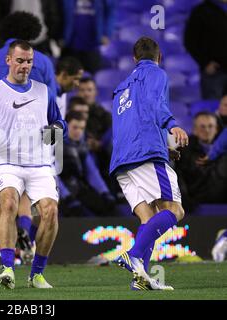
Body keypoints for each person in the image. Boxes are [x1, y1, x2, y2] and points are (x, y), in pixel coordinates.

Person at [0, 40, 67, 289]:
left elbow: (59, 123)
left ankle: (37, 274)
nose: (25, 66)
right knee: (9, 203)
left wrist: (55, 130)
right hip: (5, 161)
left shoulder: (44, 92)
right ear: (8, 61)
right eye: (20, 60)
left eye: (29, 61)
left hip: (39, 163)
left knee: (50, 212)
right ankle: (8, 267)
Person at [110, 37, 189, 290]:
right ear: (160, 56)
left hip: (122, 161)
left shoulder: (121, 88)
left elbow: (129, 124)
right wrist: (172, 124)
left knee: (148, 219)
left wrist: (164, 147)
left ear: (134, 59)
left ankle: (140, 281)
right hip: (146, 155)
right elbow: (157, 104)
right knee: (175, 210)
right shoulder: (156, 74)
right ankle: (133, 255)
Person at [61, 110, 116, 216]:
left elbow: (92, 172)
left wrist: (104, 192)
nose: (78, 131)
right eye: (75, 127)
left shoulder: (82, 146)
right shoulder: (55, 144)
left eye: (81, 128)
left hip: (79, 190)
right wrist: (66, 196)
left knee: (110, 209)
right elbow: (52, 175)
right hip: (60, 193)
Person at [184, 0, 227, 100]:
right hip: (216, 72)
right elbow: (190, 41)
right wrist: (205, 63)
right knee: (212, 109)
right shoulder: (201, 11)